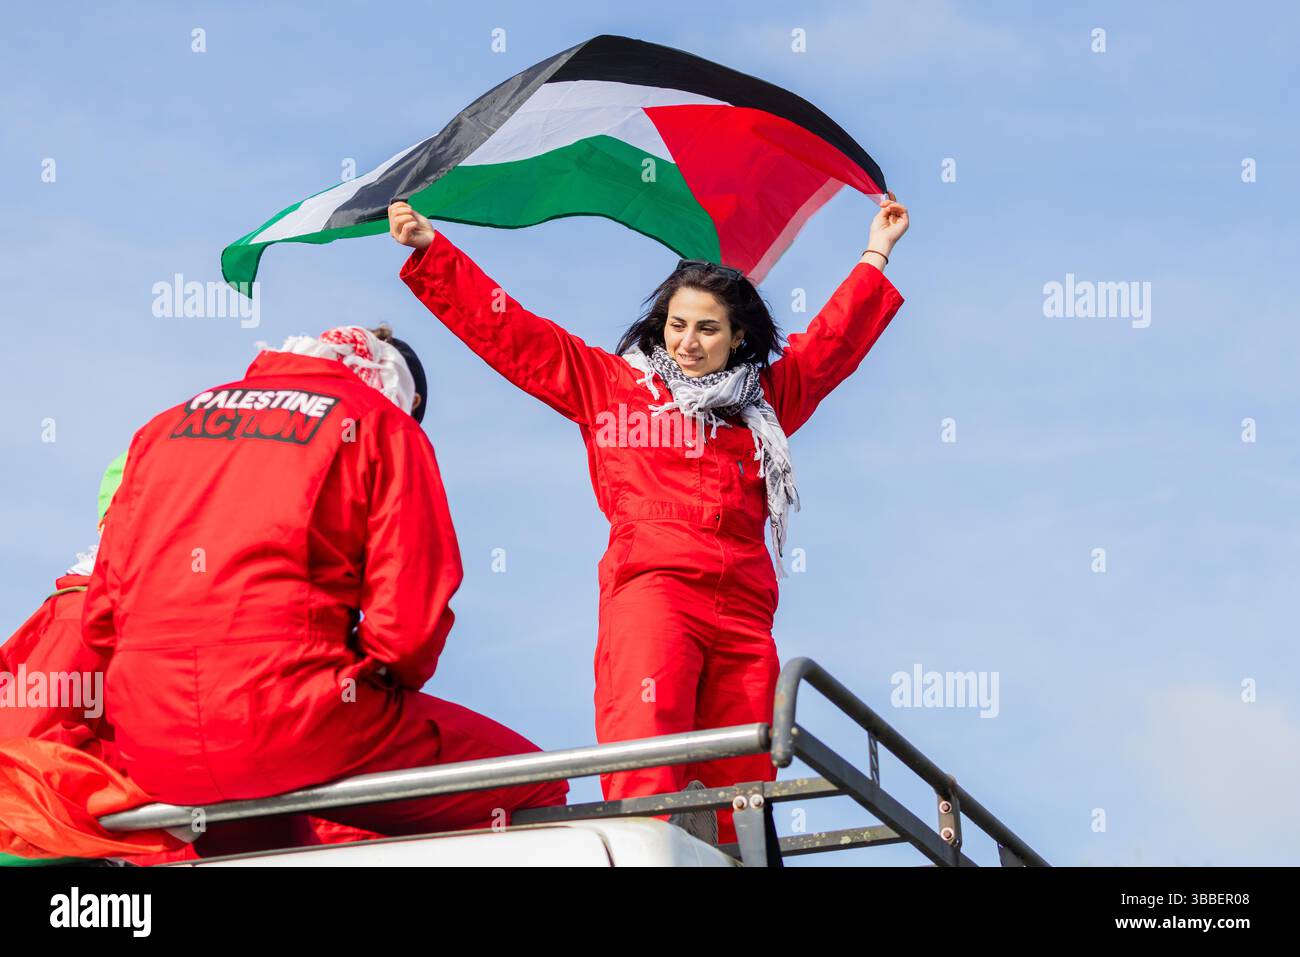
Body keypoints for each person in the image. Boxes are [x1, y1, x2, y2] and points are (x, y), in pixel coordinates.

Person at [389, 196, 909, 844]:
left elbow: (831, 344)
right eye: (676, 324)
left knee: (742, 789)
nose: (687, 342)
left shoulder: (763, 404)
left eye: (707, 329)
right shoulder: (611, 387)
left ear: (737, 336)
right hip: (655, 592)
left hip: (745, 615)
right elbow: (514, 333)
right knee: (646, 763)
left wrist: (875, 252)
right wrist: (432, 252)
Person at [81, 324, 567, 852]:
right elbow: (406, 629)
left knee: (265, 835)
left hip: (150, 738)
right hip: (295, 717)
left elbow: (102, 615)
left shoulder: (164, 427)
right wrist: (364, 680)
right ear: (404, 393)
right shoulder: (382, 424)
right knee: (533, 789)